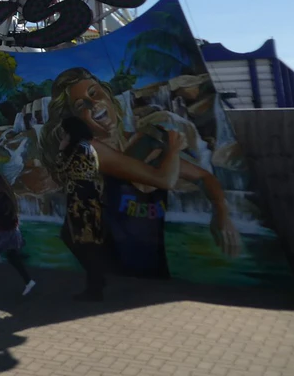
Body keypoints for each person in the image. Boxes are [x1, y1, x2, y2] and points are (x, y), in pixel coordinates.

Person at [38, 67, 224, 280]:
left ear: (108, 94)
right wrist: (172, 149)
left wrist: (221, 210)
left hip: (154, 270)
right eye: (81, 105)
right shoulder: (92, 150)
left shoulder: (143, 142)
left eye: (94, 93)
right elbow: (164, 180)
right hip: (118, 277)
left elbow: (205, 177)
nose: (93, 104)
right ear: (77, 119)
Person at [57, 116, 109, 301]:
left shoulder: (77, 148)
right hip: (88, 199)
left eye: (65, 131)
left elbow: (61, 170)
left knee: (79, 241)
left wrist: (62, 150)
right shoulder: (88, 147)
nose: (63, 134)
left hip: (81, 201)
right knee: (85, 243)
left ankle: (96, 284)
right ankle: (96, 281)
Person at [0, 172, 37, 296]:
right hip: (9, 231)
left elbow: (6, 216)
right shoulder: (4, 196)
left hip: (6, 232)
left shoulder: (2, 198)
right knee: (11, 256)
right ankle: (28, 281)